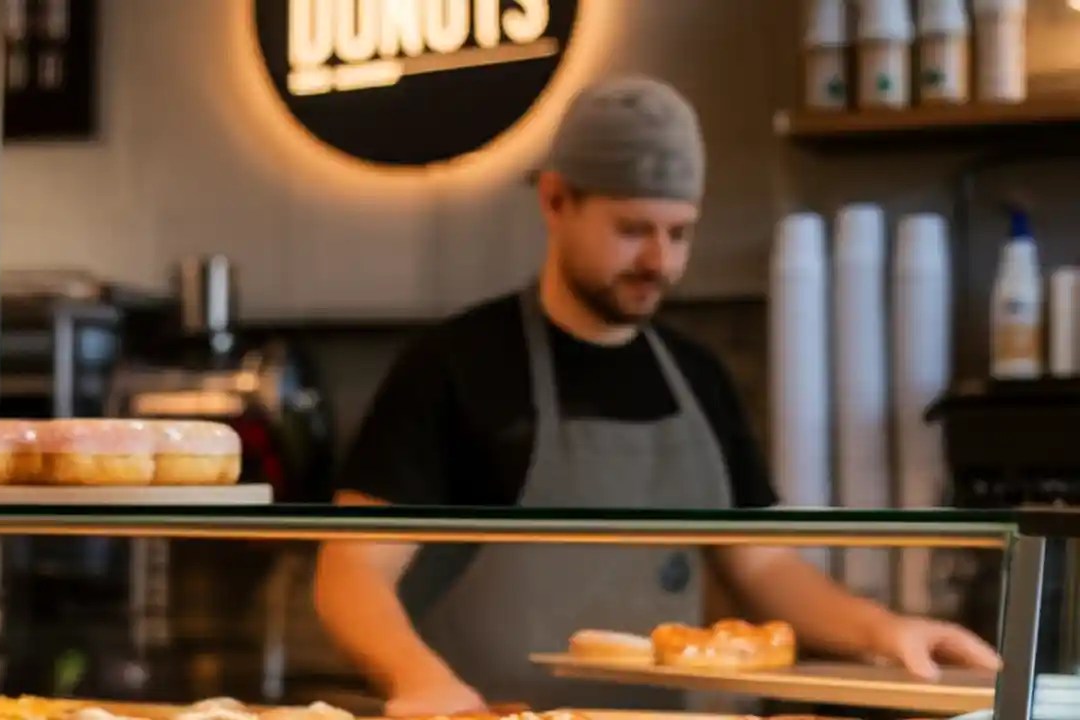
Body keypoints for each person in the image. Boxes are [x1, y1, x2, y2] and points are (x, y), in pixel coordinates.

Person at [312, 75, 1000, 716]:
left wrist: (885, 631)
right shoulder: (454, 366)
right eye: (633, 230)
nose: (660, 262)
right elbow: (350, 574)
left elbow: (762, 564)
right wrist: (419, 680)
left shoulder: (699, 377)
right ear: (556, 200)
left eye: (679, 234)